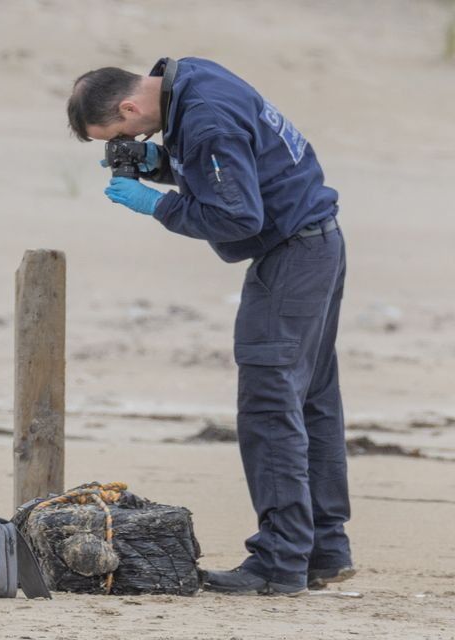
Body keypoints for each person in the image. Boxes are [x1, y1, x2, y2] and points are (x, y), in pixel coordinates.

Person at [66, 58, 353, 596]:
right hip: (318, 242)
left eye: (124, 133)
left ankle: (280, 561)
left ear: (129, 106)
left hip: (292, 257)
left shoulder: (205, 121)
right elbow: (236, 166)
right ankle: (324, 549)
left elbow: (237, 215)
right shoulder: (192, 79)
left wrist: (159, 205)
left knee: (270, 403)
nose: (131, 138)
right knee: (311, 397)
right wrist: (161, 161)